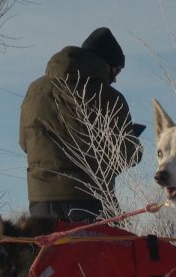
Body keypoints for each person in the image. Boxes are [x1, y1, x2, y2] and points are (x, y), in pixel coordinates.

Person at [20, 27, 144, 223]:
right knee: (103, 252)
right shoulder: (110, 97)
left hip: (41, 199)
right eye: (117, 70)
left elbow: (24, 143)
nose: (116, 78)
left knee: (52, 254)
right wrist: (133, 141)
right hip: (90, 199)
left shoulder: (35, 91)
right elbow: (126, 155)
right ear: (107, 64)